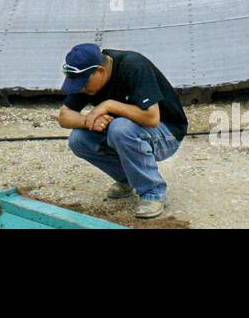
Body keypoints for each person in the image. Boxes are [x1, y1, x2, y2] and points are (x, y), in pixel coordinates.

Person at [57, 42, 188, 219]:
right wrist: (89, 121)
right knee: (78, 139)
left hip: (167, 132)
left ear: (100, 71)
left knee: (120, 129)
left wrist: (108, 105)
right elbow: (64, 116)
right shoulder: (85, 75)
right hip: (127, 131)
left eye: (84, 84)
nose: (81, 89)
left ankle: (153, 192)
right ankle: (129, 179)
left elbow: (152, 117)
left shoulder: (133, 66)